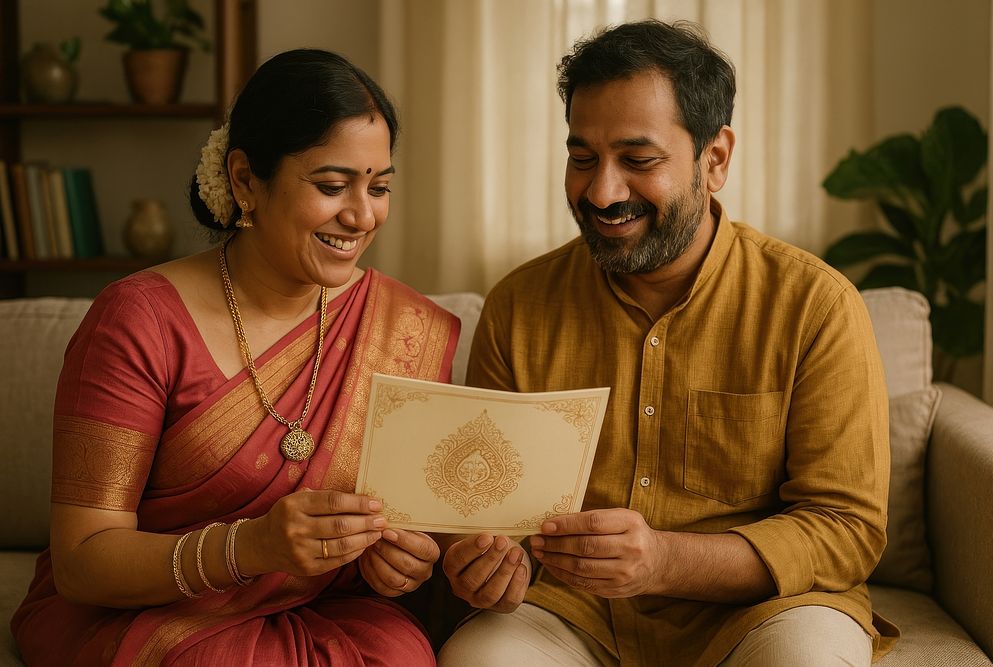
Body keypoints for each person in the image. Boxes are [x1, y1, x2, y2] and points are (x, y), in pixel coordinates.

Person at [437, 20, 895, 667]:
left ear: (716, 158)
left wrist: (665, 560)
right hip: (570, 609)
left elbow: (847, 529)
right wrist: (479, 559)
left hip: (765, 611)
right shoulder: (519, 304)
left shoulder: (815, 306)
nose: (602, 192)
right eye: (582, 157)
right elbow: (478, 511)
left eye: (638, 160)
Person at [11, 49, 459, 665]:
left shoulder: (405, 328)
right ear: (246, 178)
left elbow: (403, 532)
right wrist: (251, 548)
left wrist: (393, 561)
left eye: (378, 187)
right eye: (332, 186)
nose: (361, 215)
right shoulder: (139, 321)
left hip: (317, 611)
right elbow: (85, 561)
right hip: (150, 609)